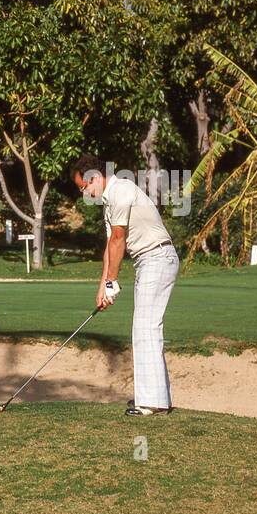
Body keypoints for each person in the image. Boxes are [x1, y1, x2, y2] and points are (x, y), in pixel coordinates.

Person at [71, 154, 179, 417]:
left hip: (157, 256)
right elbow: (110, 248)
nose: (87, 194)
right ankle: (156, 398)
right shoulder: (110, 202)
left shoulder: (121, 191)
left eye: (85, 188)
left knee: (146, 327)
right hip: (148, 261)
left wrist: (112, 281)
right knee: (144, 326)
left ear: (95, 177)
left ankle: (152, 403)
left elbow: (119, 239)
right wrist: (102, 287)